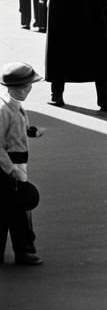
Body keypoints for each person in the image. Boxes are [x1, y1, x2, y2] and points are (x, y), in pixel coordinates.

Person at [0, 62, 44, 266]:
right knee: (16, 209)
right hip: (8, 168)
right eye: (27, 85)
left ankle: (24, 249)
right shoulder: (4, 110)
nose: (29, 89)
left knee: (16, 208)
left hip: (18, 165)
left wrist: (32, 132)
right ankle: (24, 249)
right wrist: (11, 170)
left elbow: (21, 128)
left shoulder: (16, 106)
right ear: (20, 87)